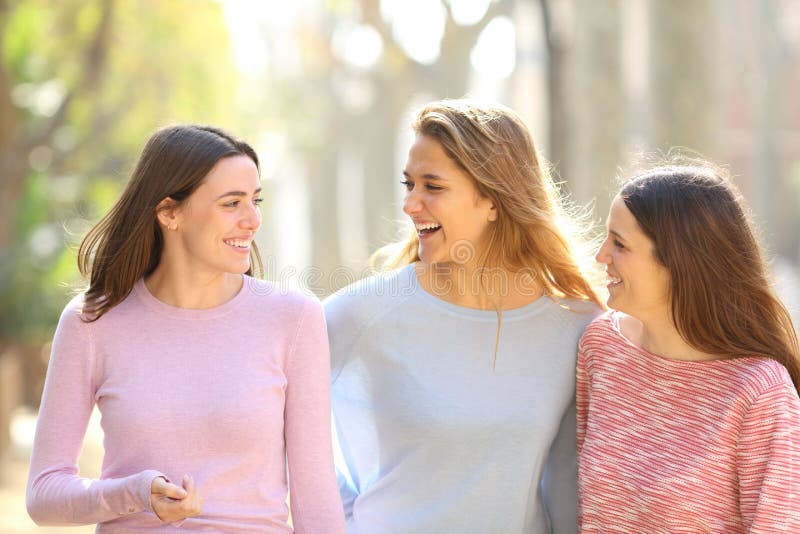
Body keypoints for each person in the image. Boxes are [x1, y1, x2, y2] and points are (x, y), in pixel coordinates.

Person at [26, 124, 346, 533]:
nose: (252, 220)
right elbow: (43, 497)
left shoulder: (295, 318)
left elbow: (316, 500)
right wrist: (135, 493)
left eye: (255, 200)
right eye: (232, 203)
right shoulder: (92, 322)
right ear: (168, 212)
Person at [324, 99, 603, 533]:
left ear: (494, 200)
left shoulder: (577, 326)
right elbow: (280, 430)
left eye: (432, 186)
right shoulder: (360, 315)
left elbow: (568, 480)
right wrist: (345, 521)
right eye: (409, 184)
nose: (411, 205)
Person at [578, 158, 800, 532]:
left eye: (619, 243)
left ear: (679, 262)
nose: (602, 255)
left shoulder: (760, 393)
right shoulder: (601, 347)